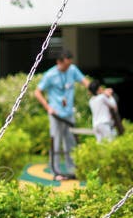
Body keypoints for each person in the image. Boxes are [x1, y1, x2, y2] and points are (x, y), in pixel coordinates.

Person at [34, 49, 91, 180]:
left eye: (69, 64)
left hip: (68, 114)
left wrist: (95, 91)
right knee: (56, 141)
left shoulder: (72, 70)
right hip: (56, 114)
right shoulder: (50, 75)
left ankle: (72, 170)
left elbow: (85, 82)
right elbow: (37, 92)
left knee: (71, 142)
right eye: (66, 65)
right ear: (58, 62)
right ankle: (56, 172)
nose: (68, 67)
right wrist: (48, 107)